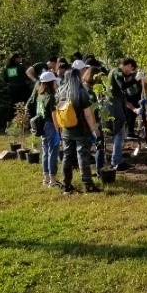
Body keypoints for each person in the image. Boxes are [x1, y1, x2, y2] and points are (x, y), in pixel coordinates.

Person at [57, 60, 100, 194]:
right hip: (81, 129)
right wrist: (94, 129)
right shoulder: (81, 93)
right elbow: (88, 114)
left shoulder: (60, 92)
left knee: (67, 156)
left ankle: (66, 184)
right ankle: (88, 184)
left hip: (66, 129)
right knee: (83, 156)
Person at [106, 58, 139, 171]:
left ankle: (117, 159)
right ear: (128, 65)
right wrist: (135, 79)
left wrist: (133, 108)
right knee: (119, 132)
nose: (130, 72)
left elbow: (122, 93)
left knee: (120, 131)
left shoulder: (116, 72)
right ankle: (116, 161)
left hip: (116, 103)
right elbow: (122, 86)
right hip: (114, 105)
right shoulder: (117, 71)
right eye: (131, 69)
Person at [35, 71, 61, 186]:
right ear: (50, 83)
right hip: (50, 126)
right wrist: (58, 132)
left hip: (42, 126)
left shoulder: (40, 96)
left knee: (45, 152)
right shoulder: (51, 98)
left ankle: (45, 178)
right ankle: (53, 180)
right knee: (53, 152)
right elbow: (54, 117)